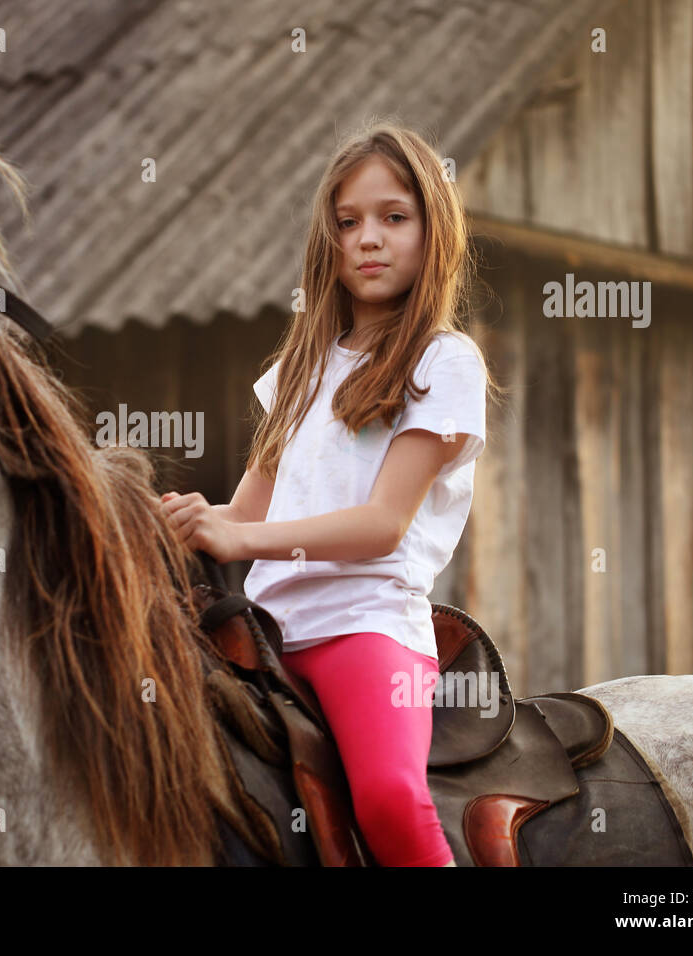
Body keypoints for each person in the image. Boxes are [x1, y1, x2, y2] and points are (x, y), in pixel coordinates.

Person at [160, 122, 498, 867]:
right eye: (349, 222)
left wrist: (238, 541)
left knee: (387, 797)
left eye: (393, 218)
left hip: (365, 627)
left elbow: (381, 526)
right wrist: (172, 521)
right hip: (266, 635)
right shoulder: (300, 369)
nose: (368, 239)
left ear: (431, 231)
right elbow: (245, 513)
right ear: (329, 239)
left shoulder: (445, 363)